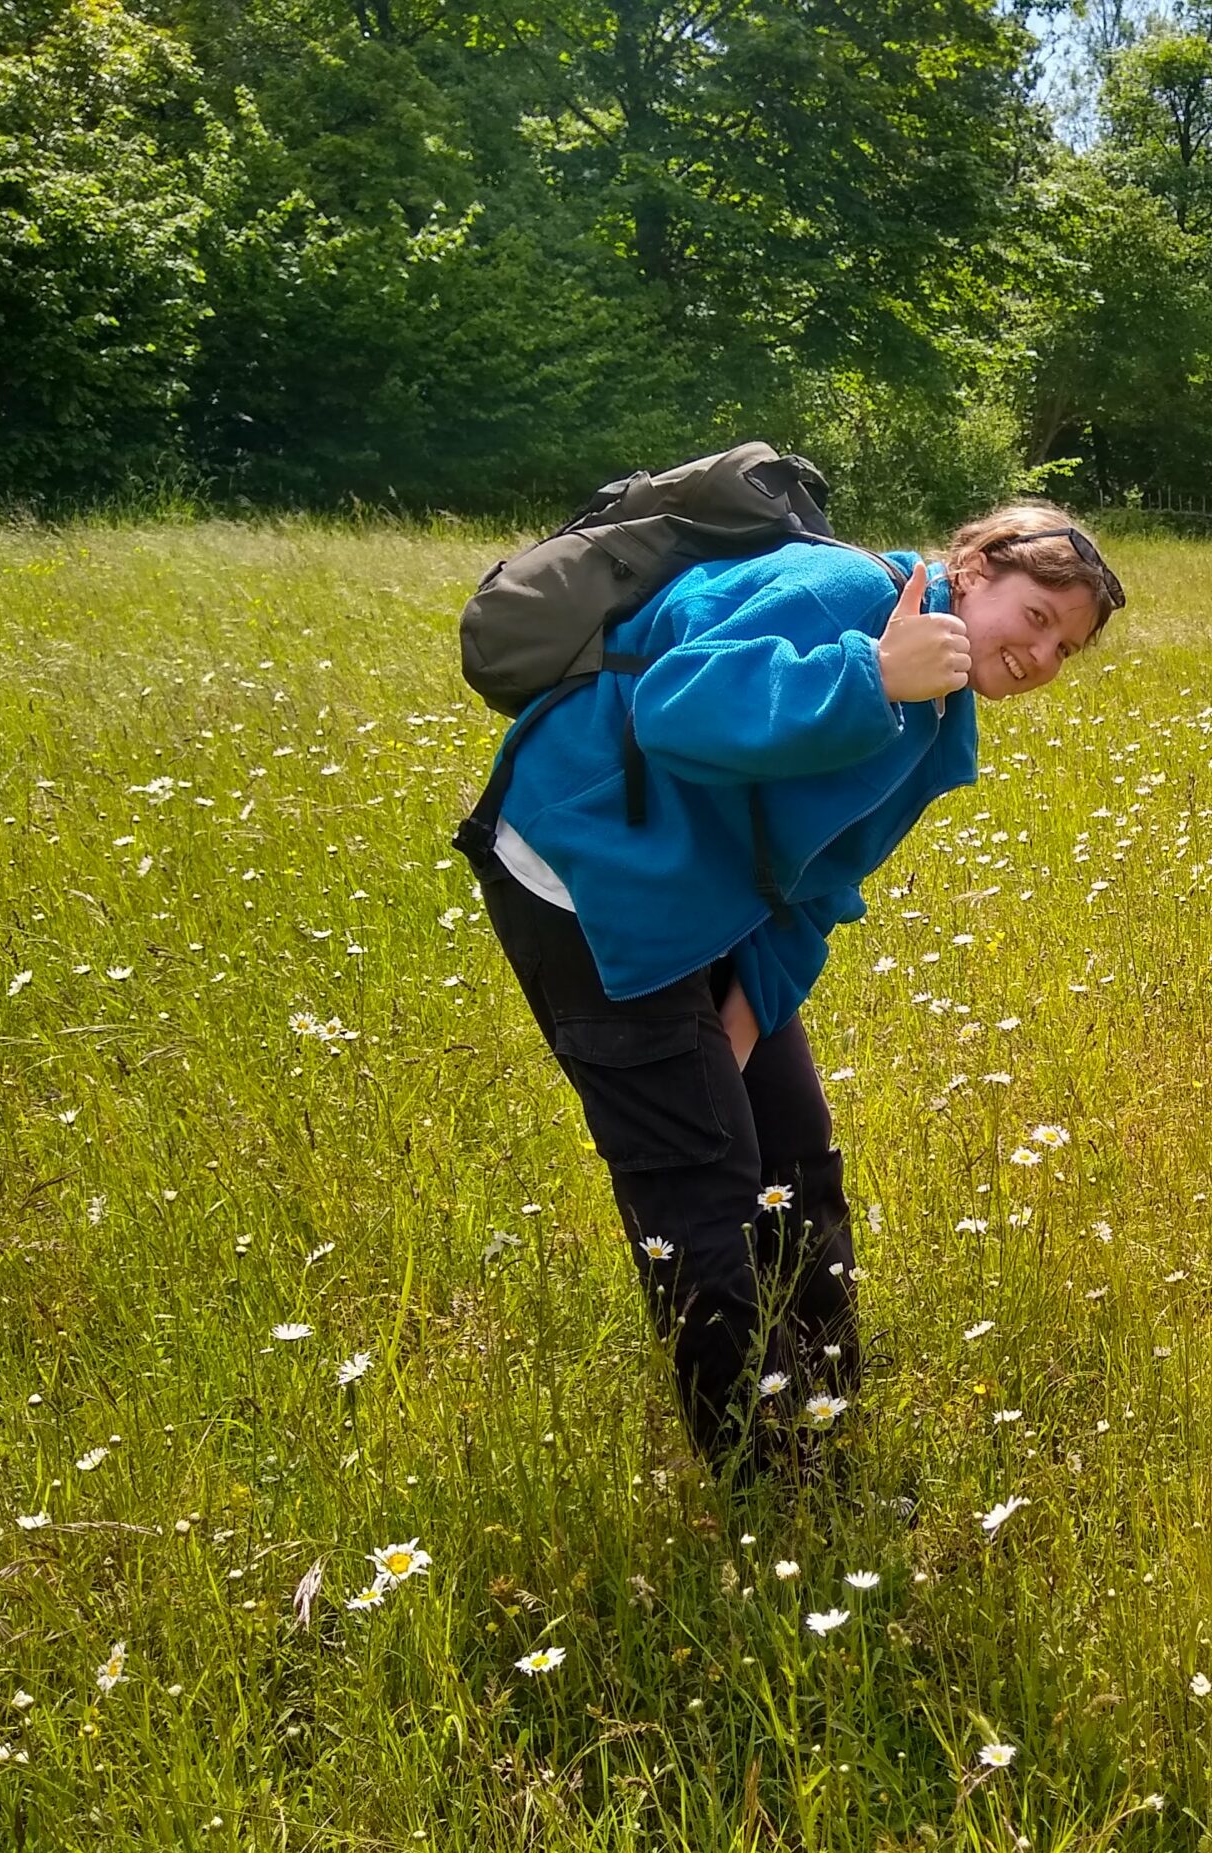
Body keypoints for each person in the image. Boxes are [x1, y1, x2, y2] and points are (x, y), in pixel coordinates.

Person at [452, 503, 1124, 1483]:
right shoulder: (846, 592)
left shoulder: (941, 721)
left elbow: (814, 887)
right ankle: (781, 1498)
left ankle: (826, 1416)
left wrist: (744, 1014)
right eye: (1034, 617)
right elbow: (674, 708)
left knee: (796, 1165)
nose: (1040, 656)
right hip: (584, 869)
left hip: (703, 896)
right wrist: (868, 678)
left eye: (1063, 646)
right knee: (701, 1192)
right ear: (973, 569)